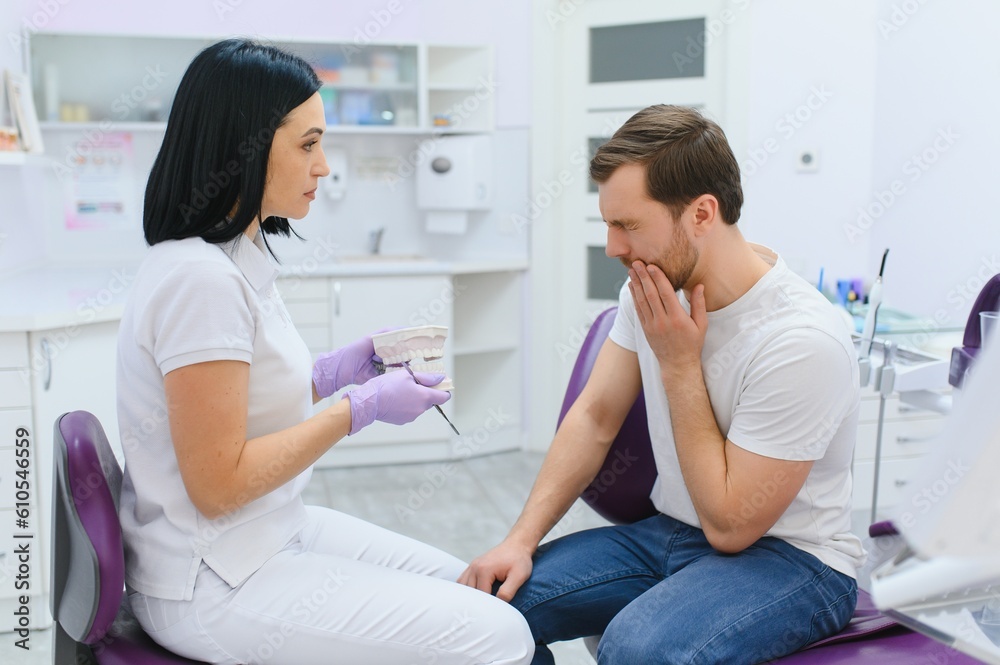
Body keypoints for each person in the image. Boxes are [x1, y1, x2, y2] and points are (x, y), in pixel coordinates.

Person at [116, 38, 533, 665]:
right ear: (245, 146)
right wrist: (356, 410)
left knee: (471, 585)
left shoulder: (235, 258)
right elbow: (217, 485)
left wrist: (337, 371)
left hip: (268, 533)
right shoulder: (198, 280)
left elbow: (244, 398)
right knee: (500, 636)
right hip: (210, 580)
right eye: (308, 144)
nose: (324, 166)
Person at [459, 104, 865, 664]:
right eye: (608, 223)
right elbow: (595, 416)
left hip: (793, 559)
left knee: (634, 649)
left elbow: (729, 527)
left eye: (627, 225)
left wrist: (679, 365)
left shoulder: (801, 340)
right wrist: (519, 540)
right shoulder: (649, 290)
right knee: (483, 617)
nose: (612, 247)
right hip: (671, 532)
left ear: (701, 212)